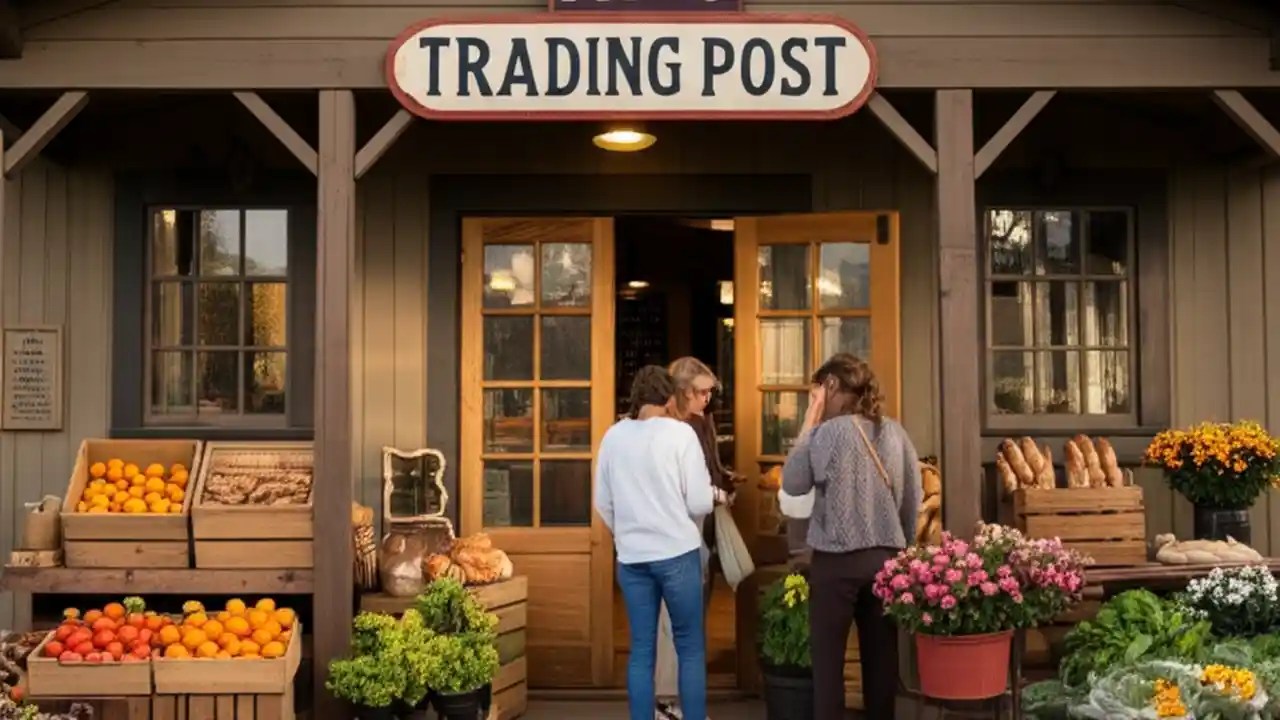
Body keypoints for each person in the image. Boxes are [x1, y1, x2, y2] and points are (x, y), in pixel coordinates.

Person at [781, 353, 922, 720]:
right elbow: (912, 500)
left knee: (829, 663)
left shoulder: (826, 434)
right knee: (881, 659)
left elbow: (793, 484)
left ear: (831, 386)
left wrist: (809, 422)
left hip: (836, 561)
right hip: (885, 557)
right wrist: (900, 548)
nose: (816, 403)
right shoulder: (897, 433)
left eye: (816, 395)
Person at [595, 365, 715, 720]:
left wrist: (626, 534)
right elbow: (698, 502)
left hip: (633, 559)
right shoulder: (680, 435)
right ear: (668, 398)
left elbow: (602, 501)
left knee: (641, 650)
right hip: (678, 554)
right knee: (690, 648)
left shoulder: (613, 437)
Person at [654, 357, 738, 720]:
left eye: (710, 393)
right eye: (702, 392)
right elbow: (678, 487)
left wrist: (723, 479)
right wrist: (717, 495)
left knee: (691, 622)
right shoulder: (664, 431)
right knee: (673, 623)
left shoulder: (702, 423)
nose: (708, 399)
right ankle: (668, 703)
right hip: (674, 534)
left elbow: (706, 469)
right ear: (682, 392)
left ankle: (682, 702)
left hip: (699, 533)